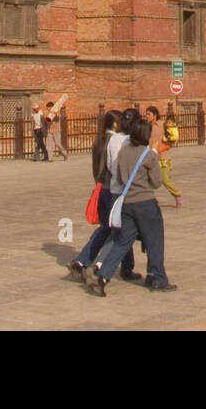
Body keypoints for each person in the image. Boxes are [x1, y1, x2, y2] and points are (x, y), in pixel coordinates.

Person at [90, 118, 175, 295]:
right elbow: (157, 183)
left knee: (123, 242)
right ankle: (156, 278)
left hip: (126, 203)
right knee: (154, 240)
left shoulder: (123, 152)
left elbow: (120, 177)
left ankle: (104, 275)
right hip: (145, 203)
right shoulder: (149, 154)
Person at [68, 111, 140, 284]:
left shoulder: (100, 139)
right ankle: (100, 264)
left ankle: (85, 262)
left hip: (102, 187)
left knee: (110, 228)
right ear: (115, 124)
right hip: (112, 188)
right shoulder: (115, 140)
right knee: (120, 228)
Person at [145, 105, 182, 206]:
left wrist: (167, 142)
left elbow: (173, 133)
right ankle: (147, 200)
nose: (147, 116)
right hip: (150, 156)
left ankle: (177, 194)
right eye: (146, 114)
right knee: (147, 179)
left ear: (155, 115)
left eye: (149, 114)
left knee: (165, 179)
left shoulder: (162, 124)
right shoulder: (146, 126)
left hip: (162, 156)